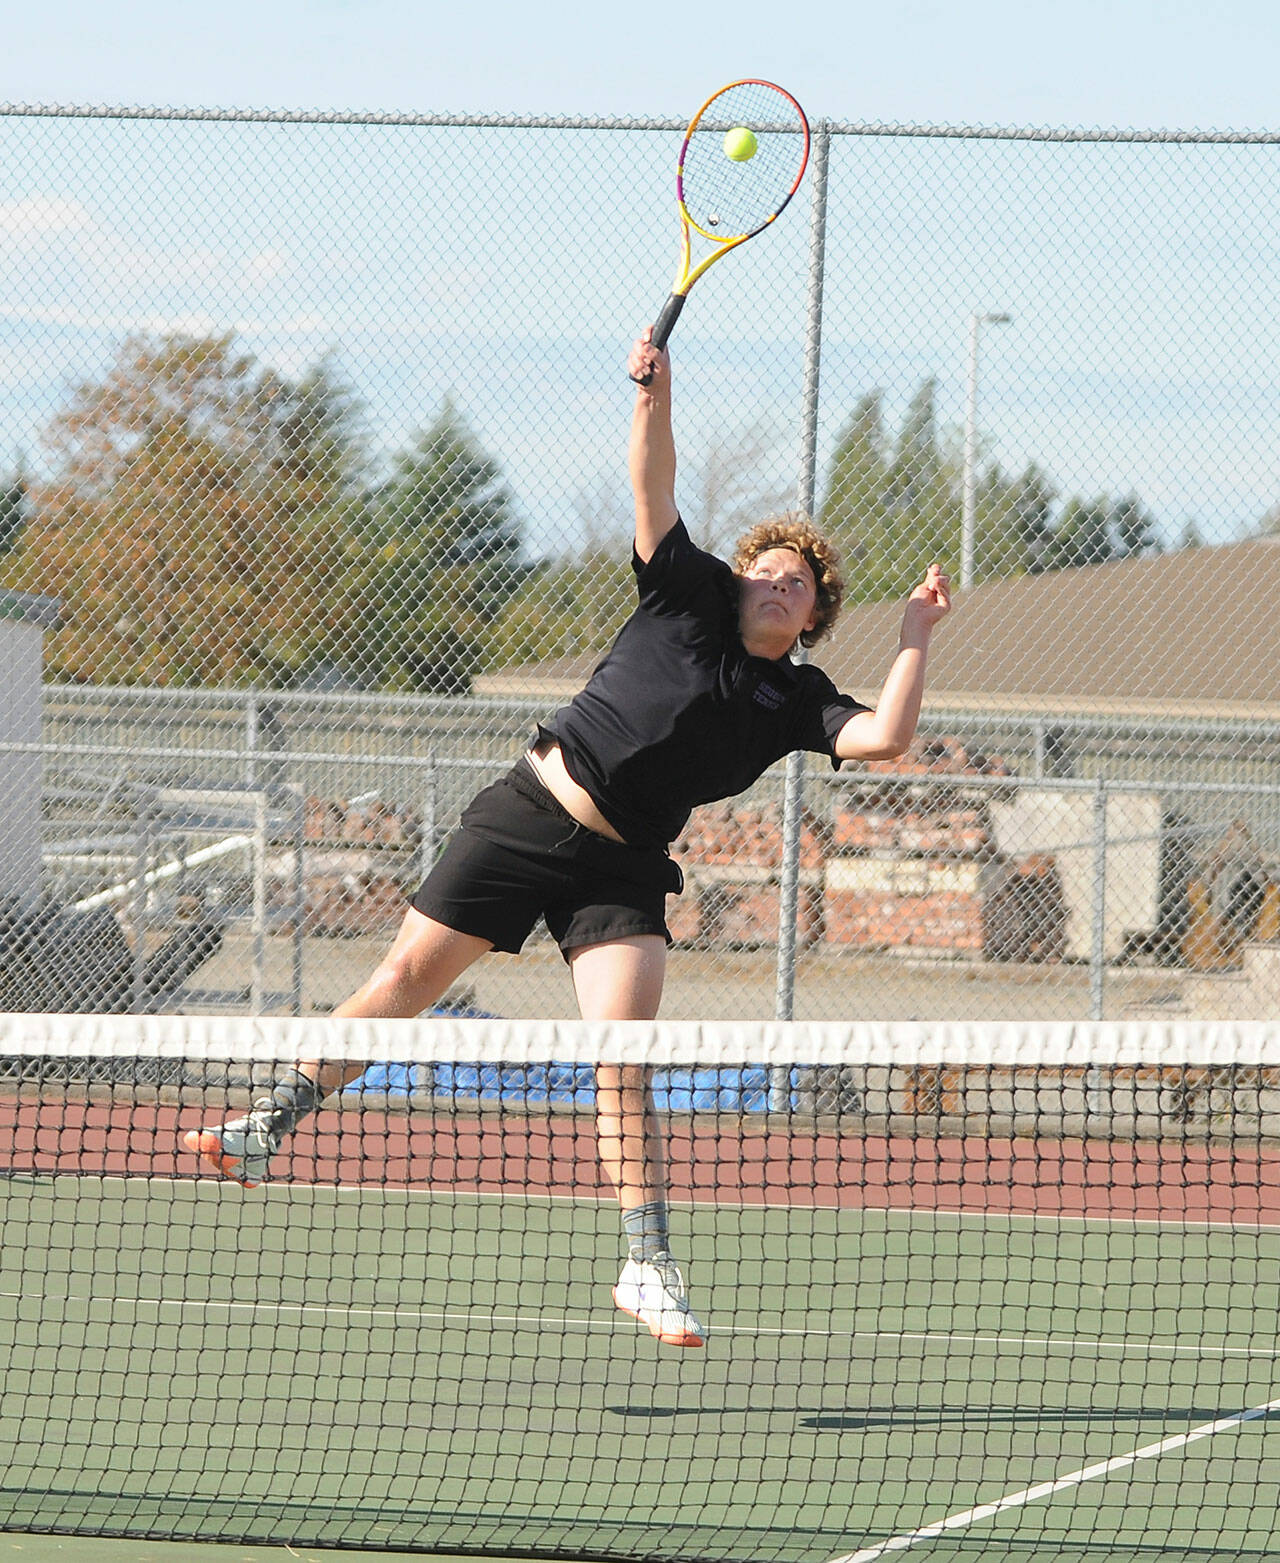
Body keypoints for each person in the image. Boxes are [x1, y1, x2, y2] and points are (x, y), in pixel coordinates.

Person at [182, 327, 951, 1349]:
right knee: (403, 980)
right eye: (763, 568)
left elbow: (886, 736)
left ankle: (648, 1262)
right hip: (528, 812)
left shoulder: (797, 700)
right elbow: (653, 485)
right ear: (735, 579)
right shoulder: (684, 594)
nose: (776, 581)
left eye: (796, 582)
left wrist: (914, 638)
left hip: (622, 869)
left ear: (812, 616)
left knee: (620, 1056)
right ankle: (267, 1125)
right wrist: (651, 396)